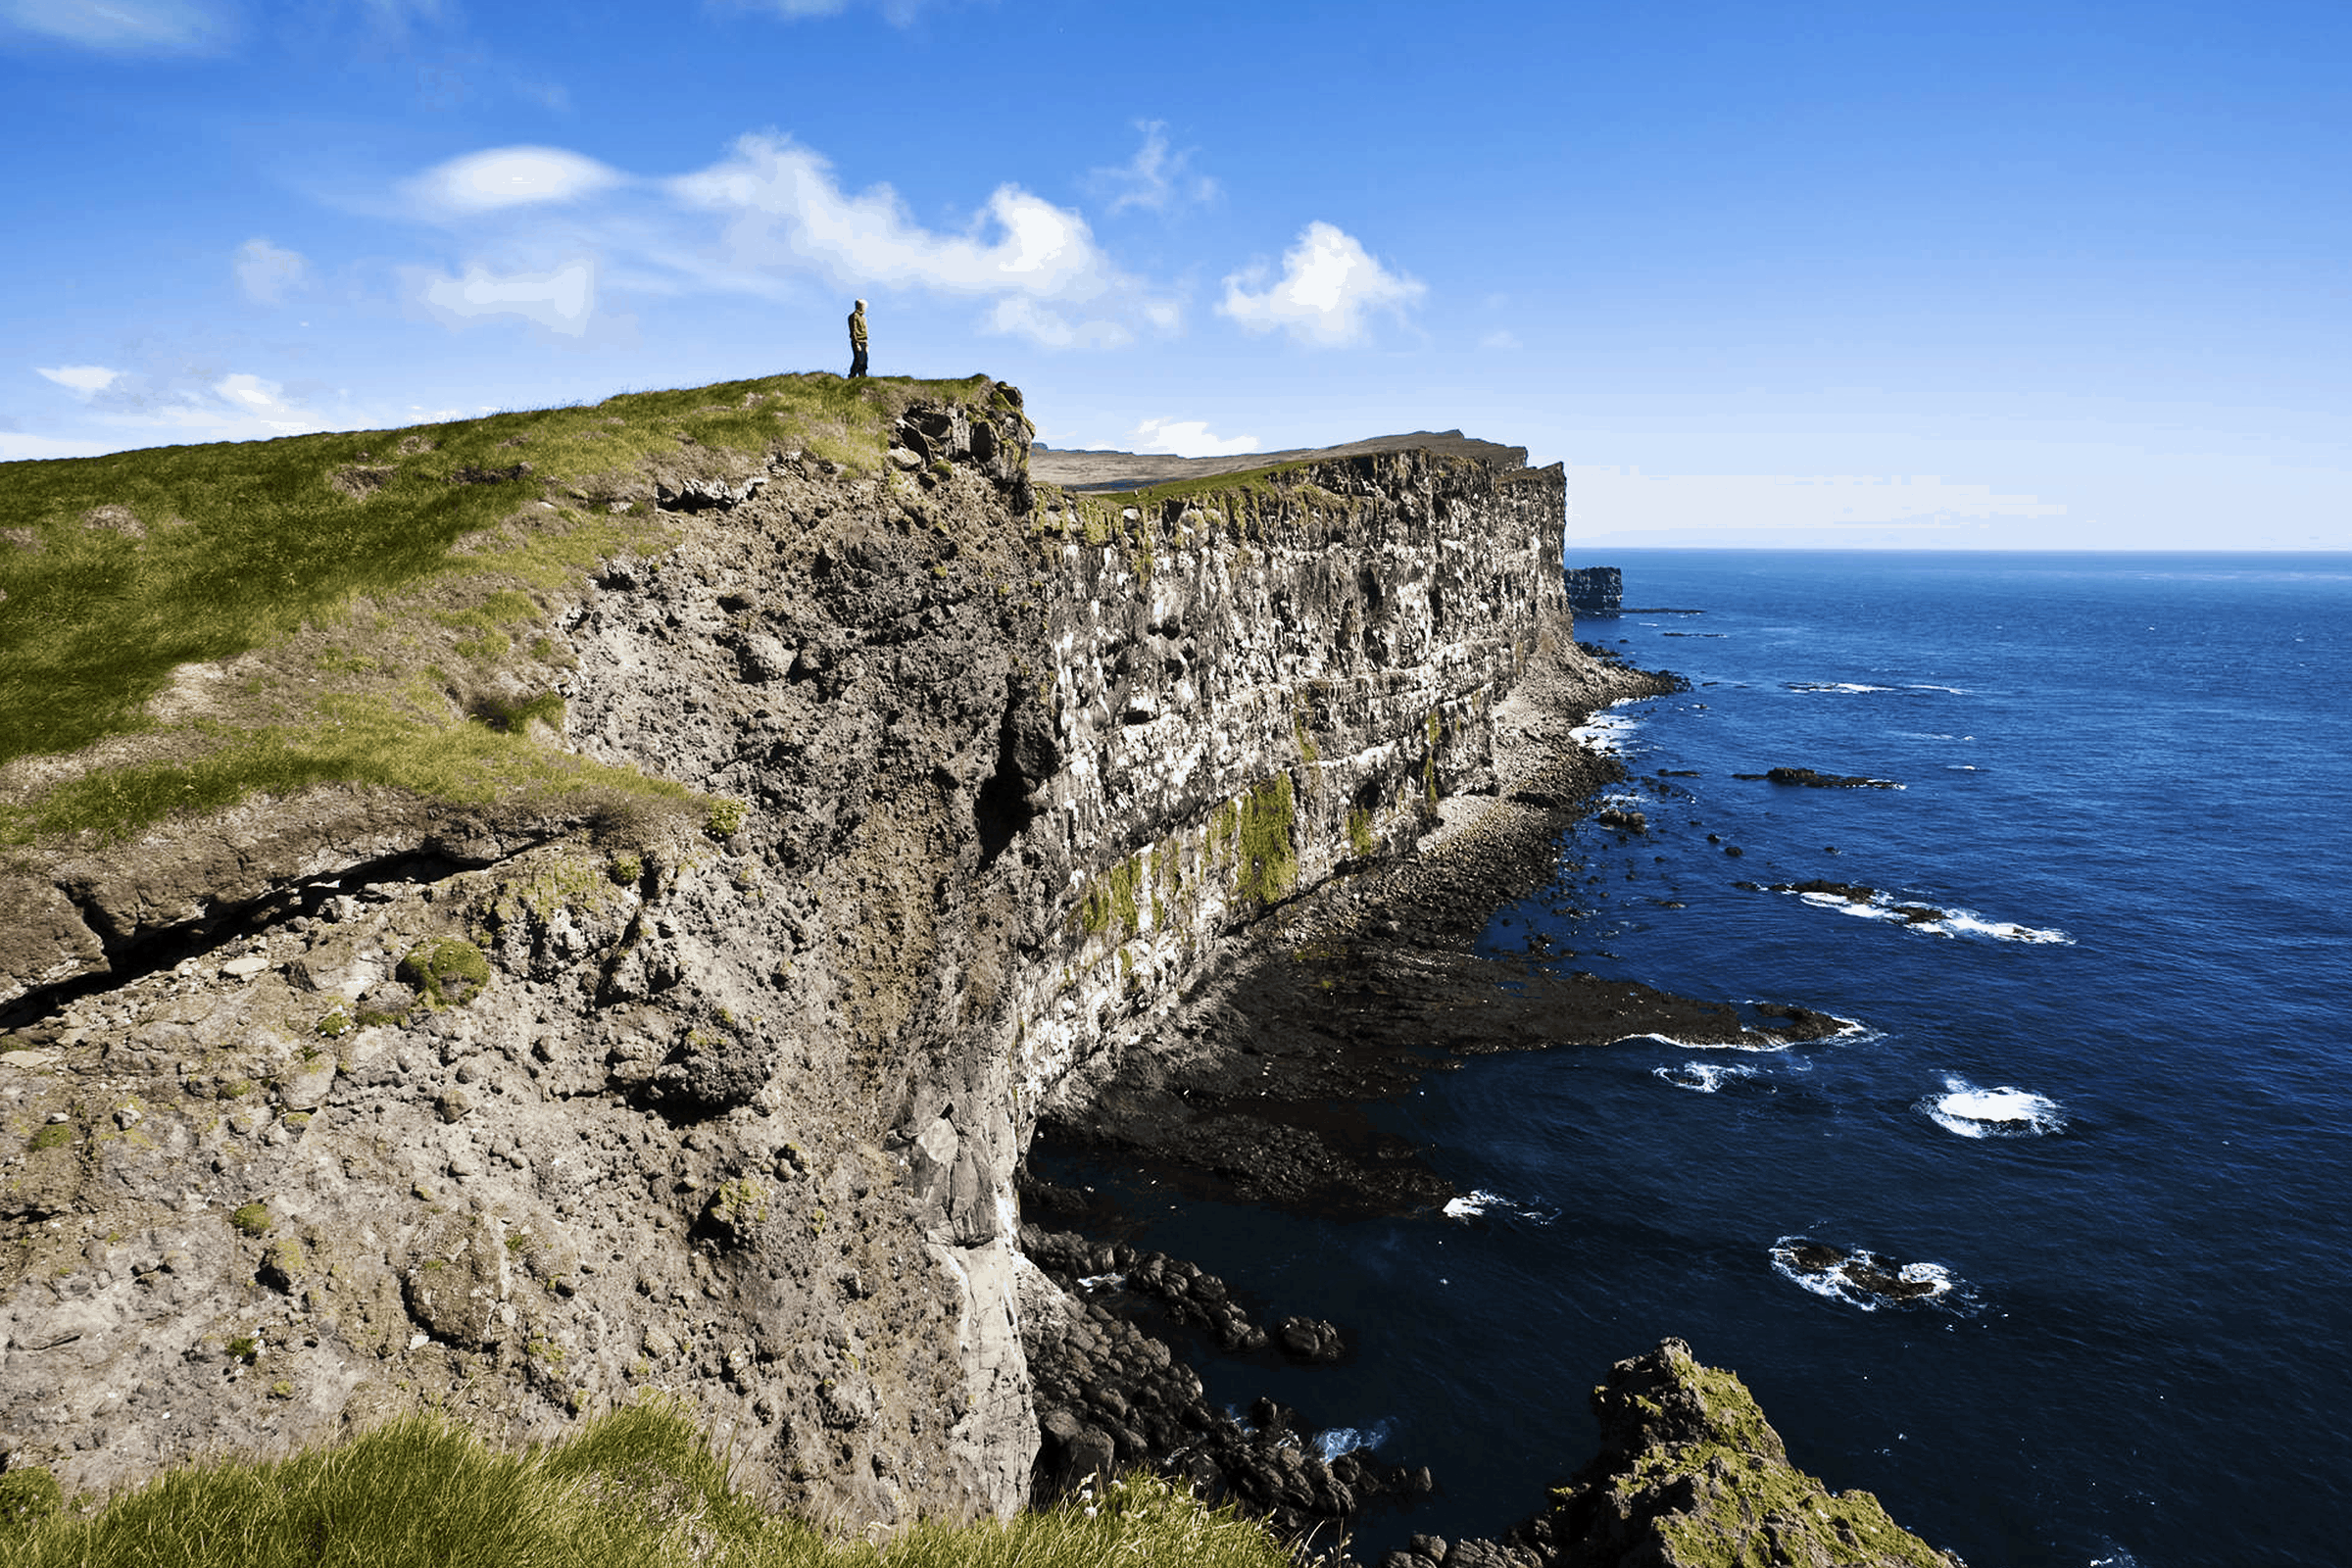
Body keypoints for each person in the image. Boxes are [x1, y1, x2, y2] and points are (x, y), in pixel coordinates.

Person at [847, 298, 868, 378]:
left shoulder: (863, 318)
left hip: (863, 341)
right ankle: (852, 375)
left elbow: (865, 331)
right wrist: (856, 342)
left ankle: (862, 374)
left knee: (865, 359)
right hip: (857, 341)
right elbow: (853, 330)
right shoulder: (853, 316)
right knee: (858, 358)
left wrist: (866, 343)